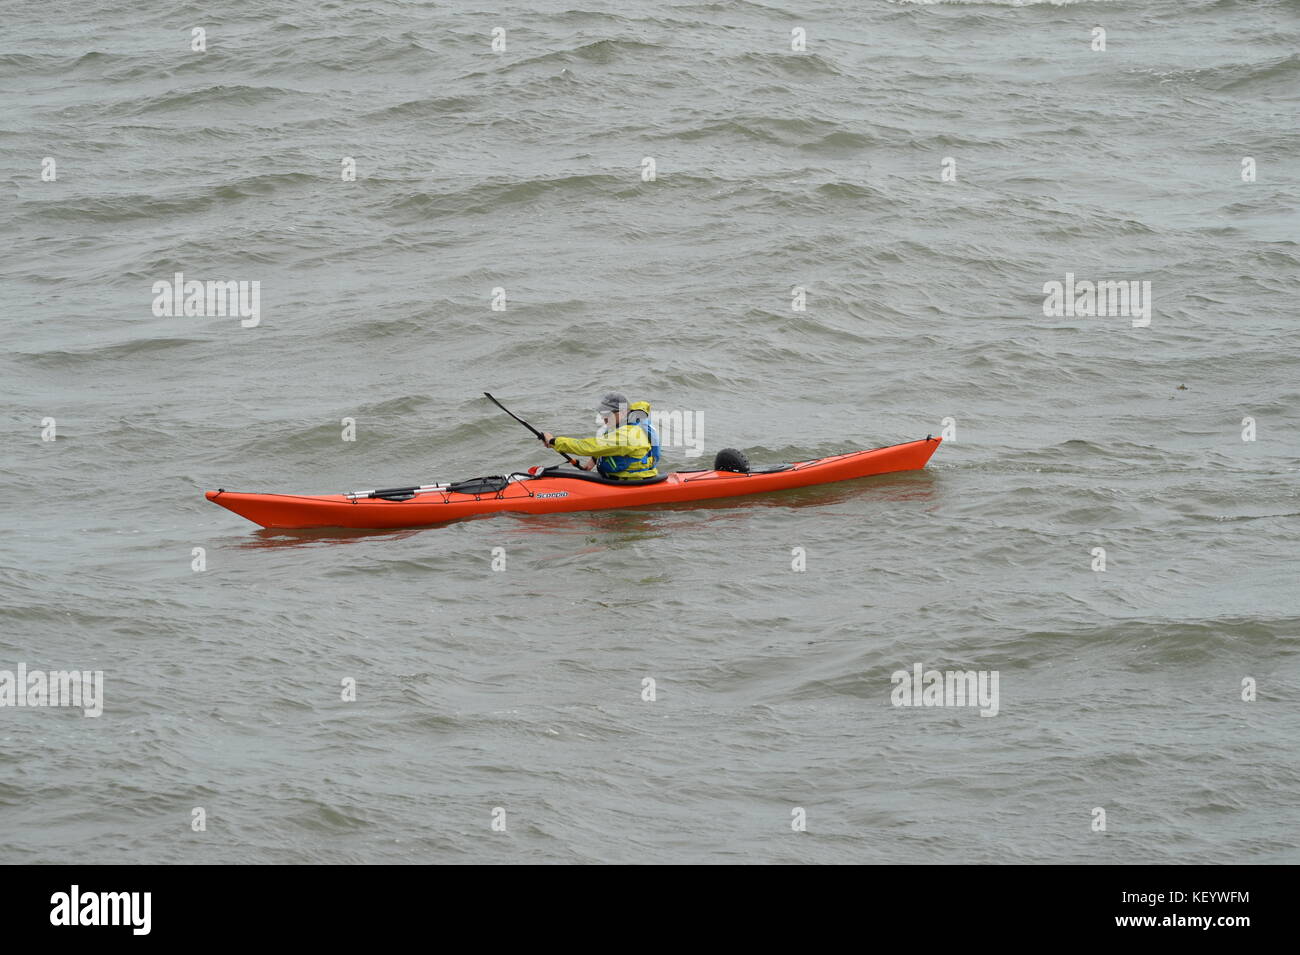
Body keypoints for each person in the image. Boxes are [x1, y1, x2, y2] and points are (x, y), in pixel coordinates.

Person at [540, 392, 660, 480]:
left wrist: (553, 441)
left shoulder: (628, 434)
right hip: (625, 476)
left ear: (622, 413)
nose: (603, 417)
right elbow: (611, 446)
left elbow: (588, 446)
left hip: (631, 481)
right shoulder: (628, 425)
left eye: (607, 413)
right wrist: (594, 459)